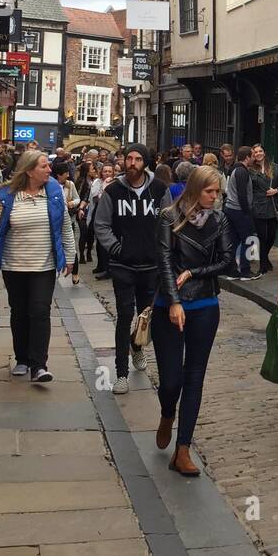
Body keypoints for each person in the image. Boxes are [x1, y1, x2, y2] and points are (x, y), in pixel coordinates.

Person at [152, 165, 234, 477]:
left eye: (218, 192)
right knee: (171, 380)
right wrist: (173, 301)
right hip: (168, 305)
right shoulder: (169, 217)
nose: (214, 197)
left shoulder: (219, 218)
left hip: (205, 304)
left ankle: (183, 449)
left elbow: (226, 260)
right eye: (209, 191)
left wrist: (194, 273)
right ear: (195, 189)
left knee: (195, 376)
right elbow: (163, 261)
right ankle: (166, 413)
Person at [0, 149, 76, 383]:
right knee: (20, 312)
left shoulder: (54, 192)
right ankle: (22, 359)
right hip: (13, 265)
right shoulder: (8, 195)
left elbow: (65, 226)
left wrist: (70, 255)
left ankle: (39, 366)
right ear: (29, 171)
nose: (49, 170)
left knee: (40, 312)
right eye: (44, 166)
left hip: (44, 266)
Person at [93, 143, 167, 394]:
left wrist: (163, 250)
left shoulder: (159, 190)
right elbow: (101, 224)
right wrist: (116, 248)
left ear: (145, 162)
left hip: (151, 266)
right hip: (123, 265)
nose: (132, 163)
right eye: (129, 158)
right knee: (124, 316)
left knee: (146, 316)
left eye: (137, 159)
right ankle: (121, 373)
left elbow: (169, 220)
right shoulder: (113, 191)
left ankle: (137, 346)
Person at [221, 145, 257, 279]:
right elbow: (242, 194)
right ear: (247, 157)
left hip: (230, 208)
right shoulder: (242, 171)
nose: (254, 158)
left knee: (234, 240)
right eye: (252, 155)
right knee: (249, 239)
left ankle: (232, 270)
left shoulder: (234, 169)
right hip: (239, 210)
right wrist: (247, 212)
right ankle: (245, 271)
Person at [248, 144, 278, 274]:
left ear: (264, 152)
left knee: (272, 236)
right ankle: (263, 265)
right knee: (262, 237)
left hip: (273, 206)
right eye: (255, 152)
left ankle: (265, 258)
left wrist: (276, 190)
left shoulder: (274, 167)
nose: (258, 153)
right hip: (258, 207)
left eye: (260, 151)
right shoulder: (250, 170)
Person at [53, 159, 81, 283]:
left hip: (69, 219)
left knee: (71, 246)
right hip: (56, 222)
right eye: (66, 173)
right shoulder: (51, 186)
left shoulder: (70, 185)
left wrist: (72, 203)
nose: (68, 175)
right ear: (59, 174)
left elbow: (77, 199)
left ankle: (75, 273)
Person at [90, 163, 115, 278]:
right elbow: (95, 197)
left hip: (110, 214)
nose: (107, 173)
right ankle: (101, 265)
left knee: (105, 241)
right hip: (98, 211)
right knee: (98, 241)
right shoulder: (97, 182)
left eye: (110, 171)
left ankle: (107, 268)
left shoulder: (115, 183)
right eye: (105, 171)